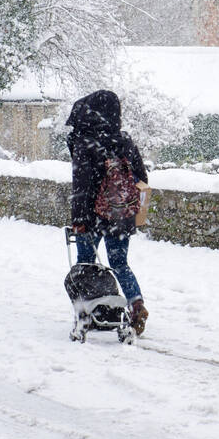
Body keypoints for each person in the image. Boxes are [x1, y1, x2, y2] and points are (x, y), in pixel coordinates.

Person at [66, 89, 149, 334]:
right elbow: (142, 179)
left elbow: (81, 187)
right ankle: (136, 305)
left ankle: (87, 314)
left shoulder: (85, 143)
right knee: (120, 263)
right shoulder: (125, 141)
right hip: (121, 217)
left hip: (91, 217)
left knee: (86, 265)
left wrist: (80, 220)